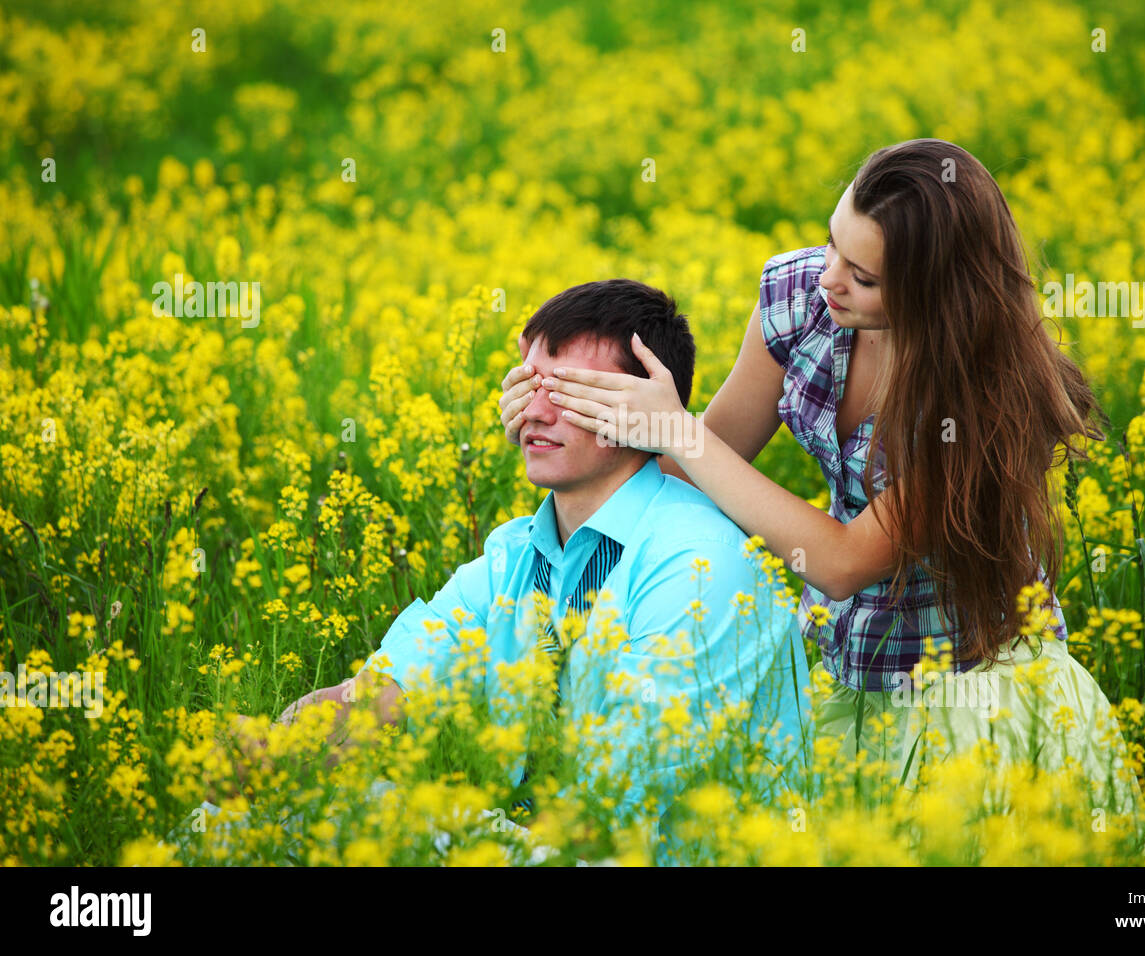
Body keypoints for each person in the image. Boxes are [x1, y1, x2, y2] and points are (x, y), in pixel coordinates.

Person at [498, 139, 1145, 848]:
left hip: (970, 701)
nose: (830, 279)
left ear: (933, 292)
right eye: (835, 243)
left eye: (864, 277)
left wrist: (677, 432)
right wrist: (555, 421)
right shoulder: (801, 303)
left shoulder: (979, 397)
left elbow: (842, 563)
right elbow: (697, 472)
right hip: (845, 675)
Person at [205, 278, 811, 865]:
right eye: (530, 386)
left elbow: (626, 800)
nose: (537, 414)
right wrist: (282, 747)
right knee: (237, 823)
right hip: (540, 841)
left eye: (572, 392)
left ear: (646, 409)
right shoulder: (514, 557)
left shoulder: (698, 563)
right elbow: (381, 698)